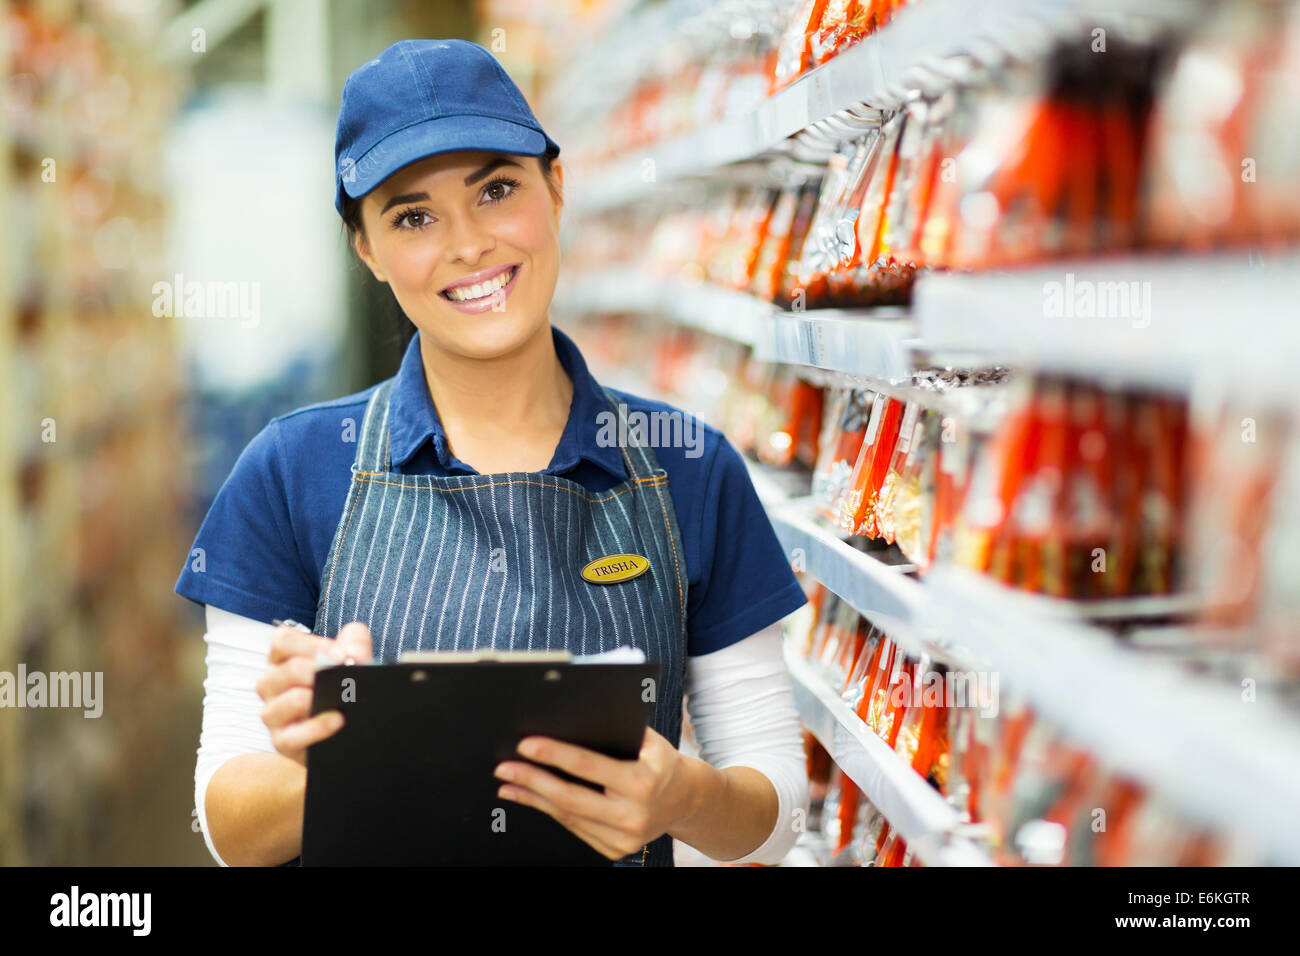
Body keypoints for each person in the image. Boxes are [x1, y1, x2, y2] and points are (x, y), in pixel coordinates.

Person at [176, 38, 809, 867]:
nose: (467, 244)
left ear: (556, 187)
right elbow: (226, 826)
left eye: (497, 189)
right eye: (412, 216)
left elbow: (776, 808)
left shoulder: (687, 465)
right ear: (365, 249)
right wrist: (339, 757)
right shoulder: (292, 471)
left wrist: (682, 797)